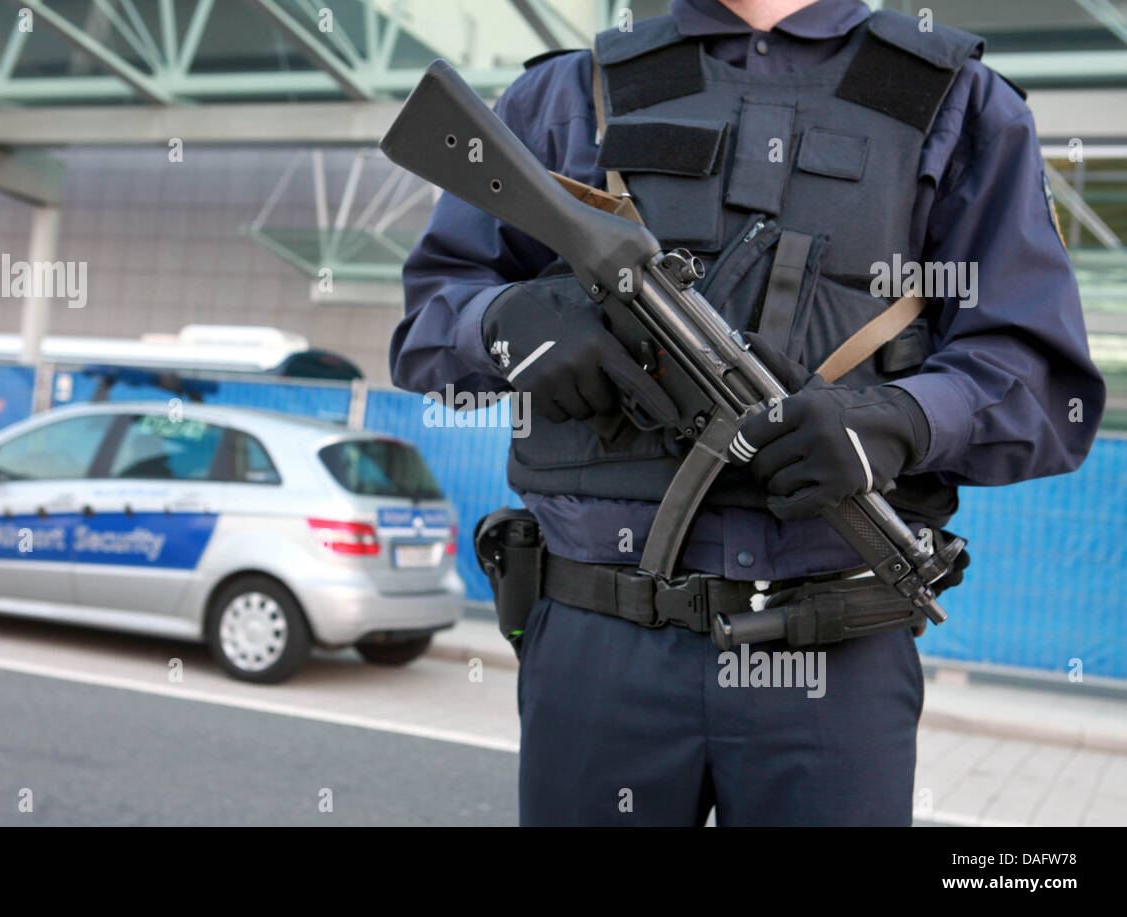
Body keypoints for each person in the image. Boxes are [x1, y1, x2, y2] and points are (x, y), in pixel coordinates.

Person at [390, 0, 1105, 825]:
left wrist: (902, 419)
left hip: (835, 654)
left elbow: (1047, 385)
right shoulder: (569, 92)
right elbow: (430, 324)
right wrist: (506, 325)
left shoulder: (959, 103)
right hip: (596, 644)